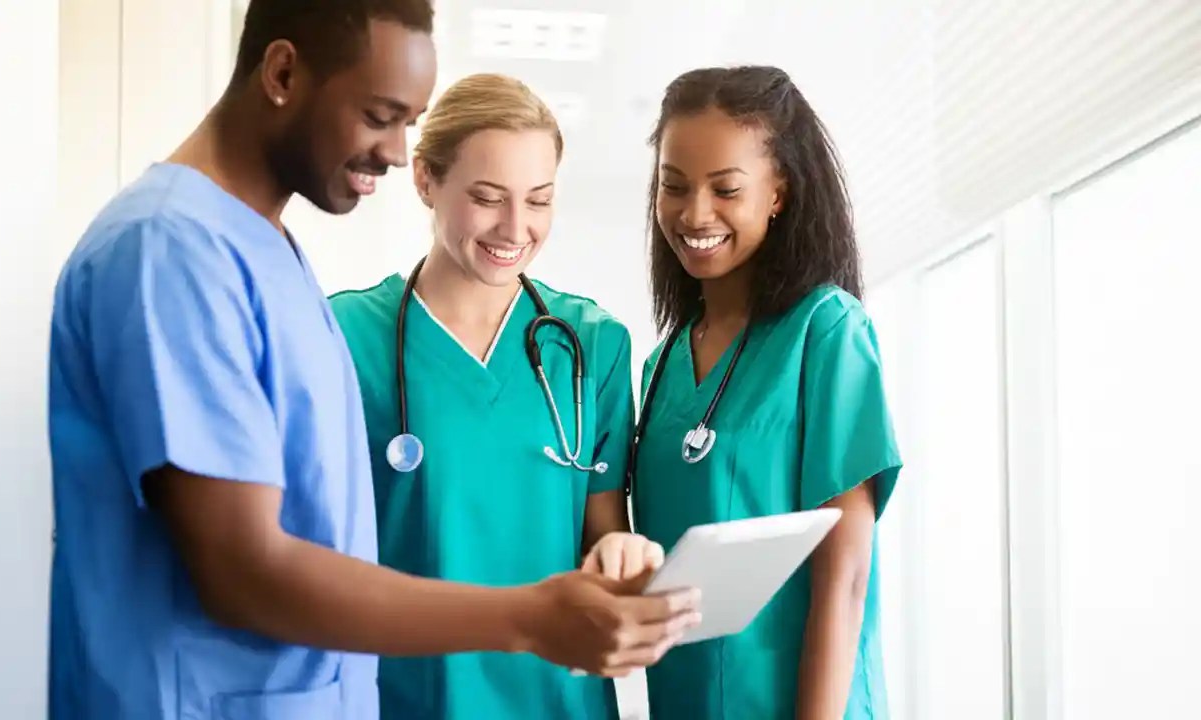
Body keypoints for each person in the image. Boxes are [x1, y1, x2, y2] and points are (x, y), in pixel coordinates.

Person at [45, 2, 700, 718]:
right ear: (284, 72)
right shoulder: (170, 253)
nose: (393, 152)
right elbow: (242, 570)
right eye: (379, 114)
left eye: (408, 122)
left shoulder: (267, 257)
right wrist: (528, 617)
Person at [327, 72, 661, 720]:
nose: (515, 227)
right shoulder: (344, 338)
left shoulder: (592, 345)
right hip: (411, 699)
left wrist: (623, 556)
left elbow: (601, 534)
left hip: (561, 698)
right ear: (425, 179)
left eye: (539, 200)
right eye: (486, 197)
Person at [626, 66, 903, 719]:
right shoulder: (661, 363)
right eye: (674, 186)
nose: (695, 214)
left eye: (726, 189)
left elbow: (847, 576)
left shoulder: (827, 333)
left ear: (778, 191)